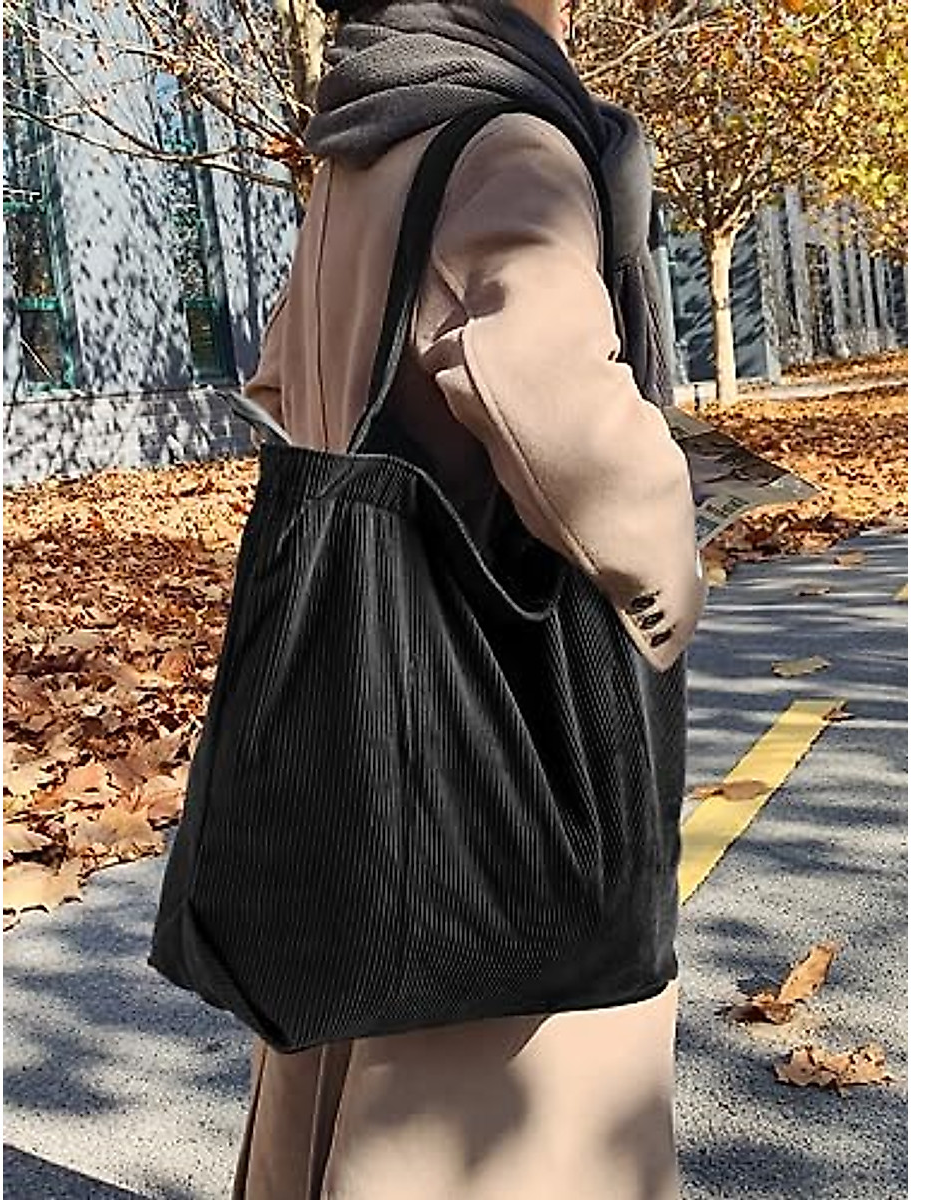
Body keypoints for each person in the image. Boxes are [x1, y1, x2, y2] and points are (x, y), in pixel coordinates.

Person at [232, 1, 706, 1196]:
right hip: (497, 688)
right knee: (495, 1044)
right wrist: (666, 572)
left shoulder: (362, 144)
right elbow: (543, 396)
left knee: (359, 963)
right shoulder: (508, 144)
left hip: (363, 650)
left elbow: (281, 377)